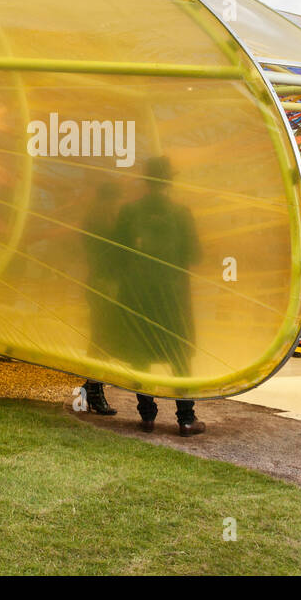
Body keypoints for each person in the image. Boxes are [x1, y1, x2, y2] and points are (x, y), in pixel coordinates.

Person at [113, 156, 205, 437]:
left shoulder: (129, 211)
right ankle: (186, 419)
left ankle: (147, 416)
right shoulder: (181, 213)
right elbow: (195, 255)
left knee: (141, 351)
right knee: (178, 354)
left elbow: (117, 252)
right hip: (173, 294)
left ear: (147, 179)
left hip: (138, 292)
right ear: (170, 181)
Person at [79, 183, 123, 415]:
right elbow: (110, 253)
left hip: (98, 282)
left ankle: (90, 388)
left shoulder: (95, 218)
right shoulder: (103, 221)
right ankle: (94, 391)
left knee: (100, 339)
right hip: (104, 285)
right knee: (100, 340)